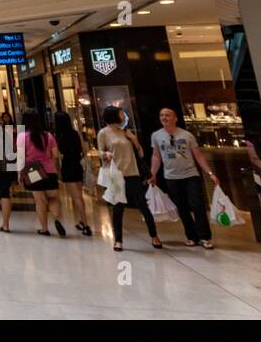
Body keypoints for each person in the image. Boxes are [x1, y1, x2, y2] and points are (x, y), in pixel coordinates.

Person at [150, 108, 219, 249]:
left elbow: (198, 155)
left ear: (175, 118)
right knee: (181, 208)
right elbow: (156, 156)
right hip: (171, 177)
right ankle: (191, 236)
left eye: (167, 115)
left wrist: (210, 173)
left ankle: (204, 237)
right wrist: (153, 173)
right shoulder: (156, 136)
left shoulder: (187, 135)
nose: (164, 118)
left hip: (190, 175)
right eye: (161, 115)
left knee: (197, 205)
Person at [97, 105, 160, 251]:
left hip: (133, 173)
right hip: (116, 175)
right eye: (121, 113)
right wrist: (105, 154)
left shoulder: (126, 132)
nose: (124, 116)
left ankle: (154, 235)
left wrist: (134, 140)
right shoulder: (103, 133)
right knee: (118, 208)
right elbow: (100, 150)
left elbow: (141, 153)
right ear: (114, 116)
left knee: (142, 206)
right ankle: (118, 240)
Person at [18, 109, 65, 236]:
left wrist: (19, 174)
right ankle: (57, 219)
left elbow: (21, 157)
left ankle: (44, 228)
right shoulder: (48, 135)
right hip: (50, 170)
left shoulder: (22, 136)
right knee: (52, 197)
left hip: (32, 170)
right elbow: (55, 155)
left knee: (40, 201)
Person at [54, 111, 92, 236]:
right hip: (77, 165)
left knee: (76, 198)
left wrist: (58, 171)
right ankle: (82, 221)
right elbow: (83, 149)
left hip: (68, 166)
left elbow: (59, 154)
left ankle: (86, 225)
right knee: (79, 196)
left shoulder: (60, 136)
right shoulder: (74, 133)